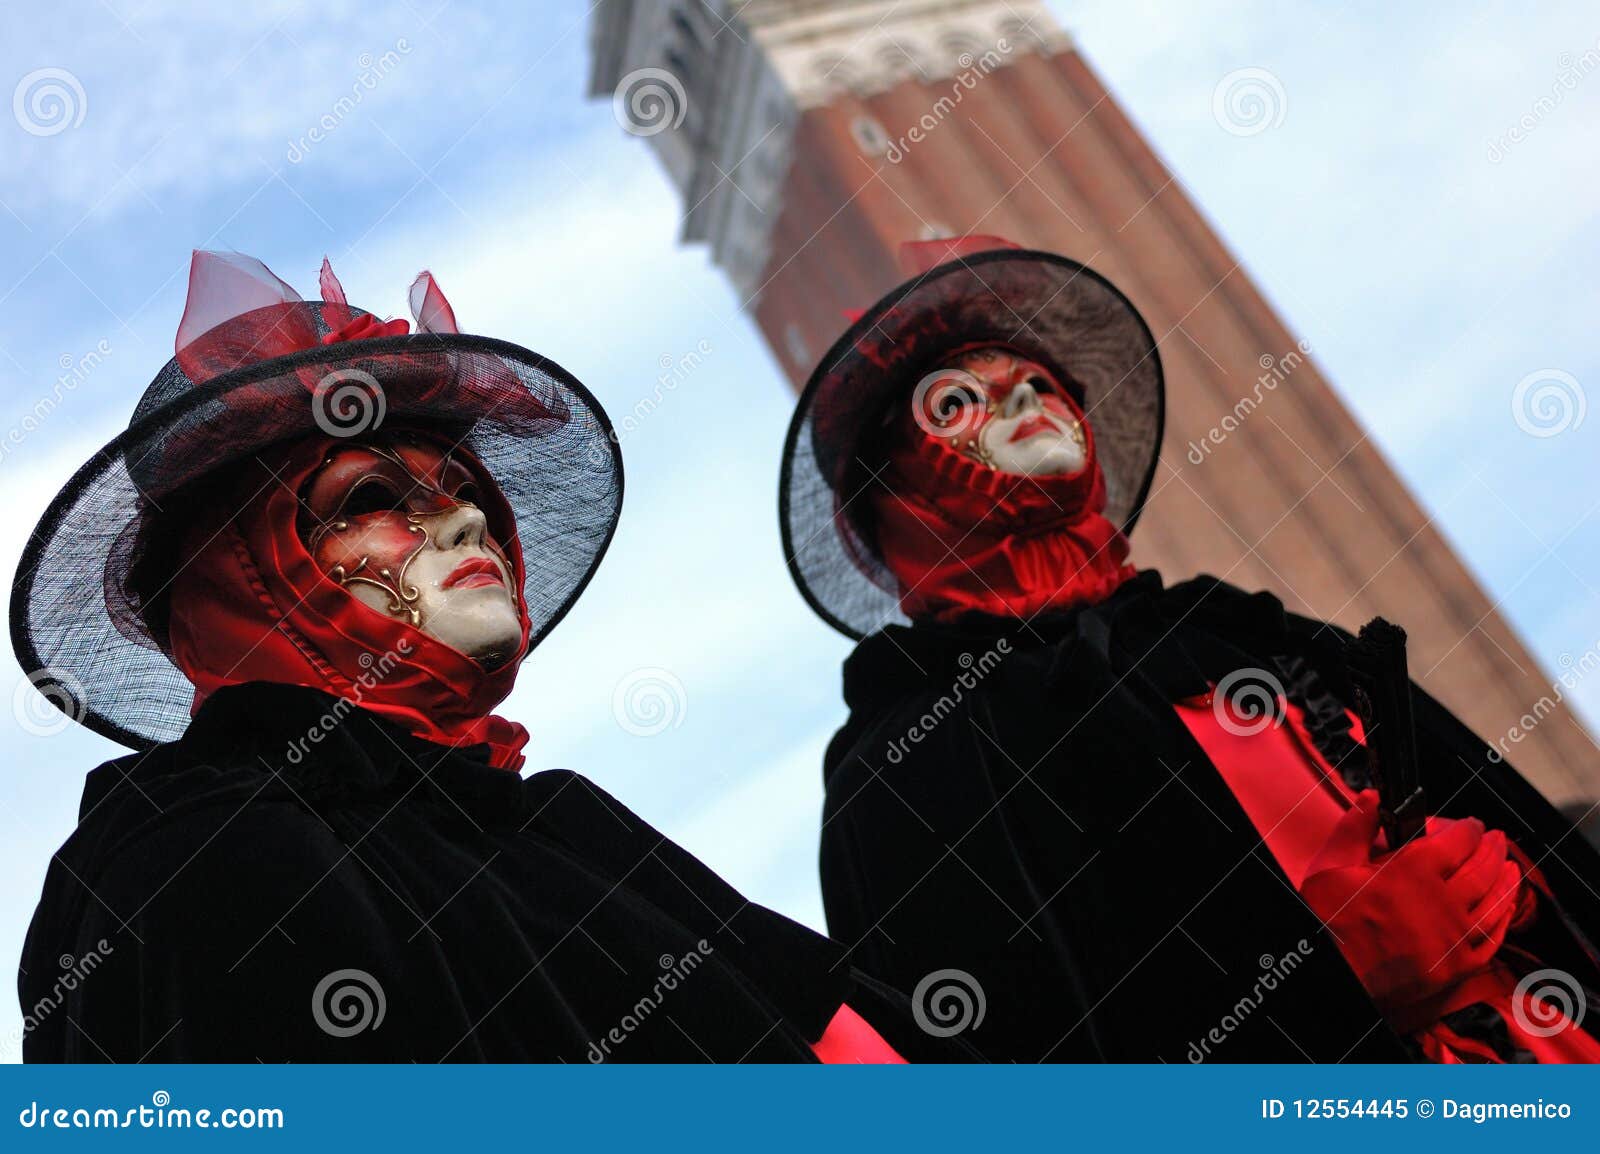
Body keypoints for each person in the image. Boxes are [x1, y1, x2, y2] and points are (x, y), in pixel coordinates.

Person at [14, 251, 968, 1063]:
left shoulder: (573, 831)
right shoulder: (188, 854)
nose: (466, 515)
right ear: (245, 576)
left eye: (462, 487)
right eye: (373, 497)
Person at [780, 234, 1600, 1063]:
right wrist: (1327, 988)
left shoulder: (1233, 628)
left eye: (1037, 383)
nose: (1021, 401)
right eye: (957, 403)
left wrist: (1512, 887)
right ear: (896, 500)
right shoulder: (909, 775)